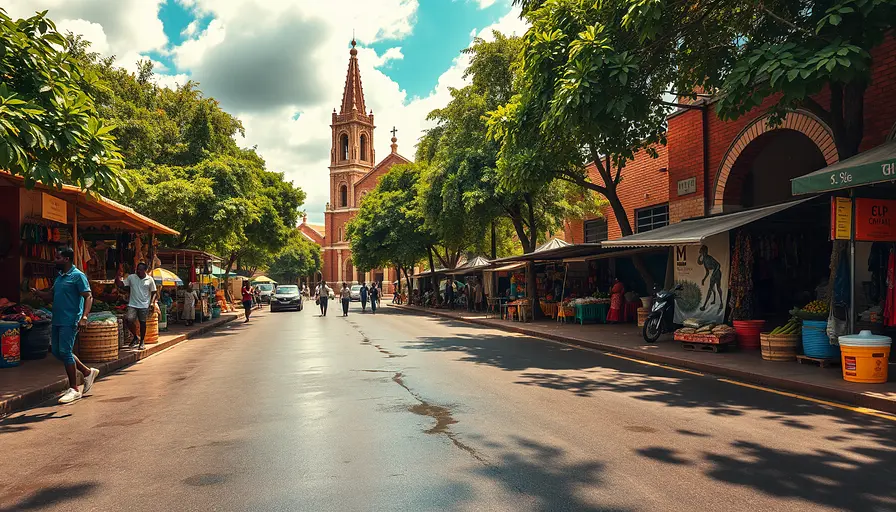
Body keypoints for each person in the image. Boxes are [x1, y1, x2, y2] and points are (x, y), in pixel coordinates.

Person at [30, 247, 99, 404]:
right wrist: (38, 293)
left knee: (65, 351)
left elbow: (88, 296)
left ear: (66, 259)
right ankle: (87, 372)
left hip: (70, 320)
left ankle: (74, 389)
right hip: (57, 319)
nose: (55, 260)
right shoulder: (60, 277)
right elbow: (51, 296)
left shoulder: (78, 276)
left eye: (57, 258)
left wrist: (84, 317)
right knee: (56, 351)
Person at [115, 262, 157, 350]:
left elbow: (154, 292)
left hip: (144, 305)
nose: (138, 271)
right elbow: (121, 285)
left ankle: (142, 341)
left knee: (142, 323)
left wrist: (152, 303)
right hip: (133, 304)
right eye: (137, 269)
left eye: (141, 270)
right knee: (128, 320)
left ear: (145, 270)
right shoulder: (131, 277)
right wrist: (117, 276)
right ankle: (135, 336)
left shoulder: (149, 279)